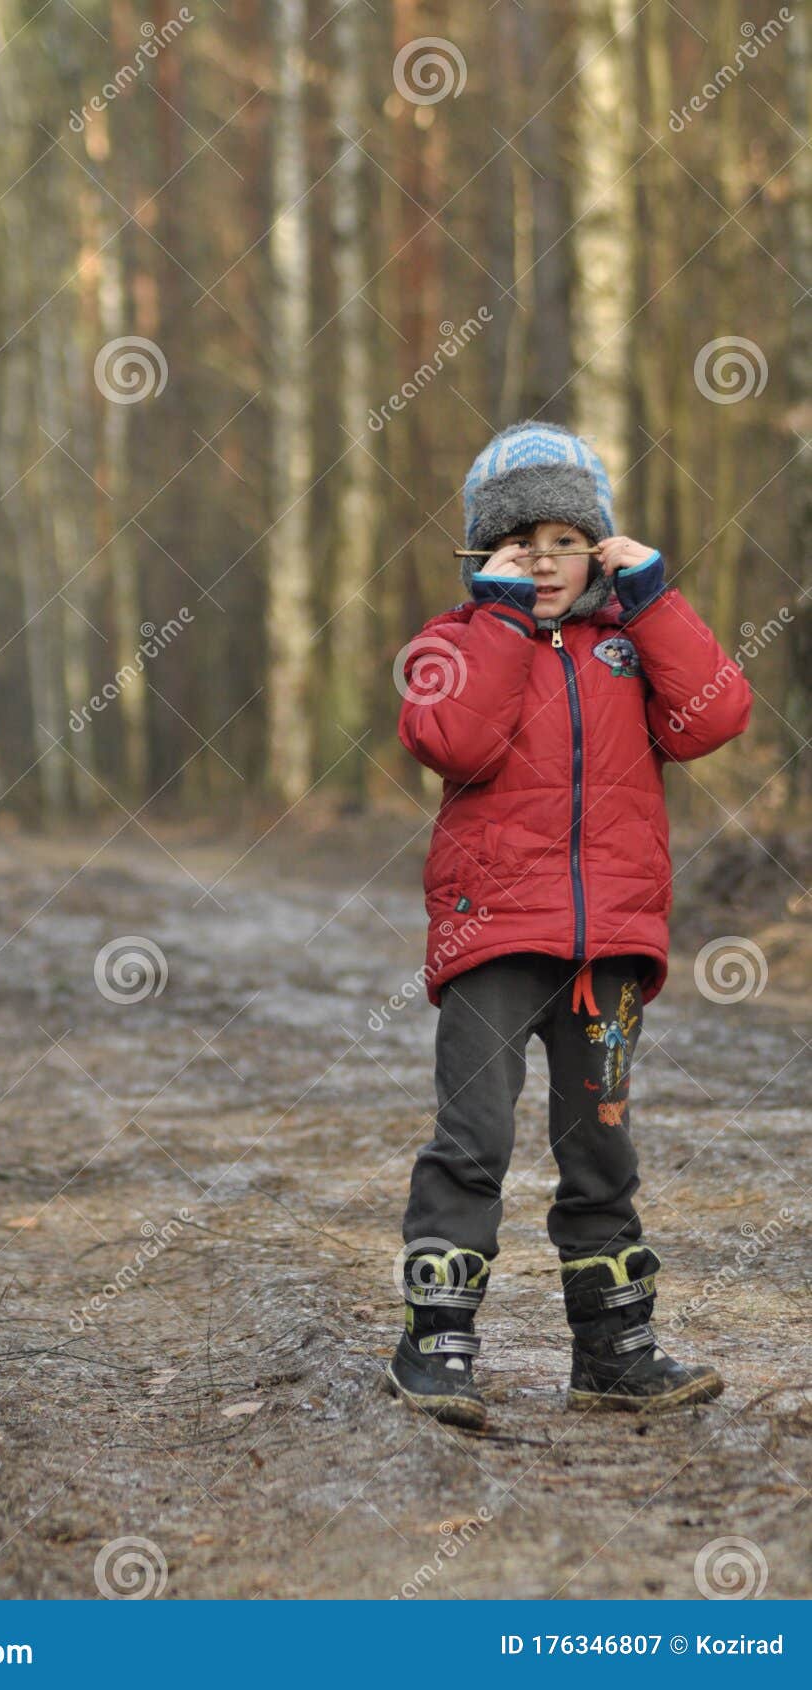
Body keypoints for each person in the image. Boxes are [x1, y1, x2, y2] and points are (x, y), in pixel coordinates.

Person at [387, 420, 753, 1429]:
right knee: (474, 1137)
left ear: (597, 545)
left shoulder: (631, 644)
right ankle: (439, 1339)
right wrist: (502, 623)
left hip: (611, 953)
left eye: (562, 539)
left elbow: (716, 715)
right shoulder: (450, 643)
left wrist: (658, 601)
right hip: (494, 940)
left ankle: (613, 1350)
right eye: (517, 542)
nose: (540, 560)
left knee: (600, 1150)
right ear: (481, 552)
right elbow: (452, 739)